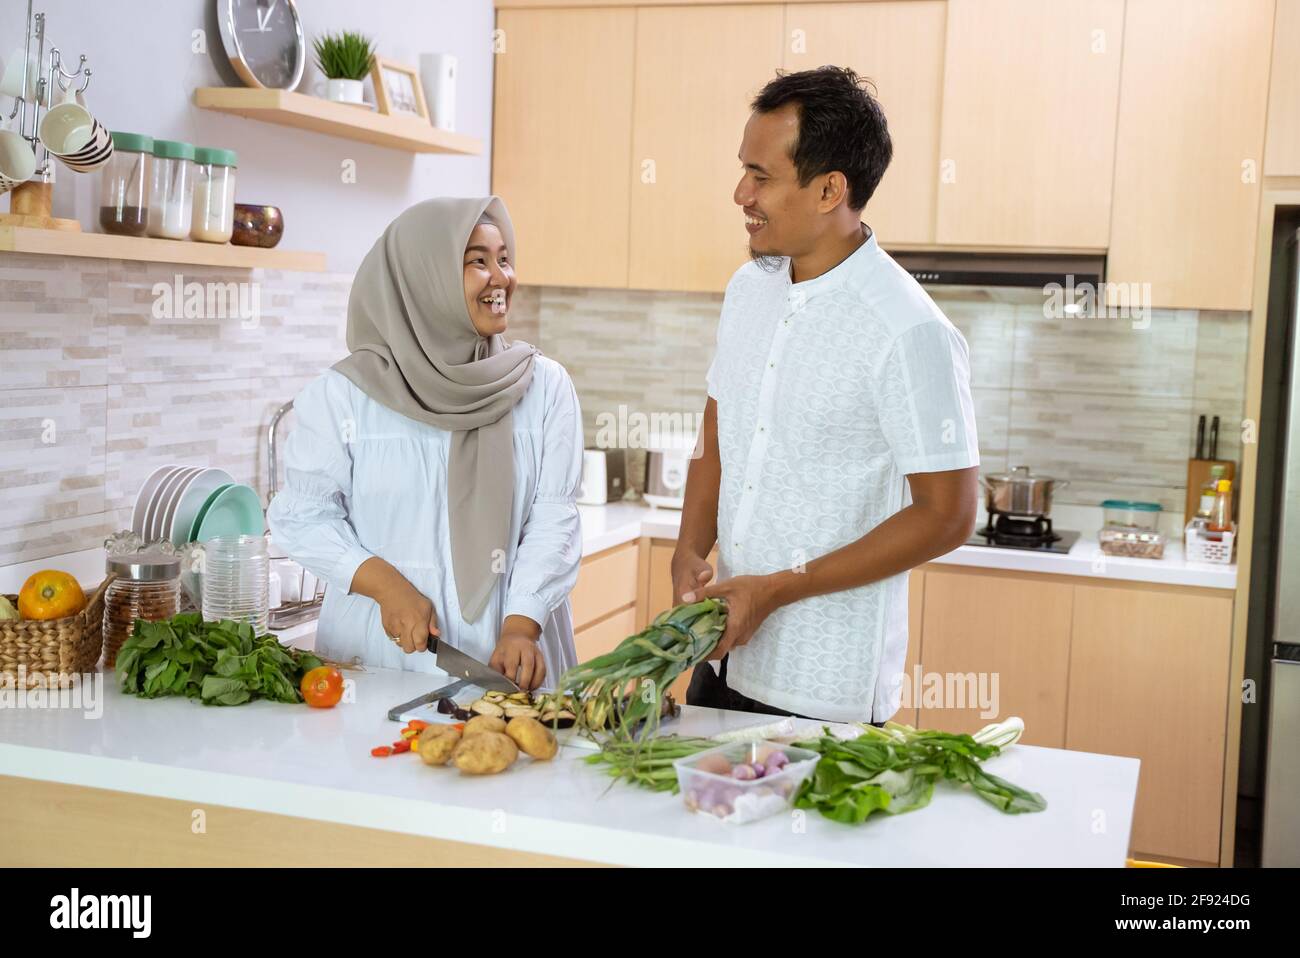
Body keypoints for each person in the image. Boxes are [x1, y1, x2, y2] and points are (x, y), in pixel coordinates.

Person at [675, 67, 980, 722]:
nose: (740, 193)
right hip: (718, 658)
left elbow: (949, 514)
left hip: (825, 690)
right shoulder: (746, 289)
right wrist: (686, 549)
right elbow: (716, 435)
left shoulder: (909, 329)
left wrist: (781, 590)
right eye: (743, 170)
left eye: (761, 176)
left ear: (829, 190)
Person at [268, 197, 583, 690]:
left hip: (514, 662)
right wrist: (384, 585)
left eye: (503, 258)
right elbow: (302, 517)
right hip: (381, 658)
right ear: (421, 279)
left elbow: (554, 518)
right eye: (477, 261)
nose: (501, 277)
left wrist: (522, 624)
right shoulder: (343, 396)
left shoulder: (543, 387)